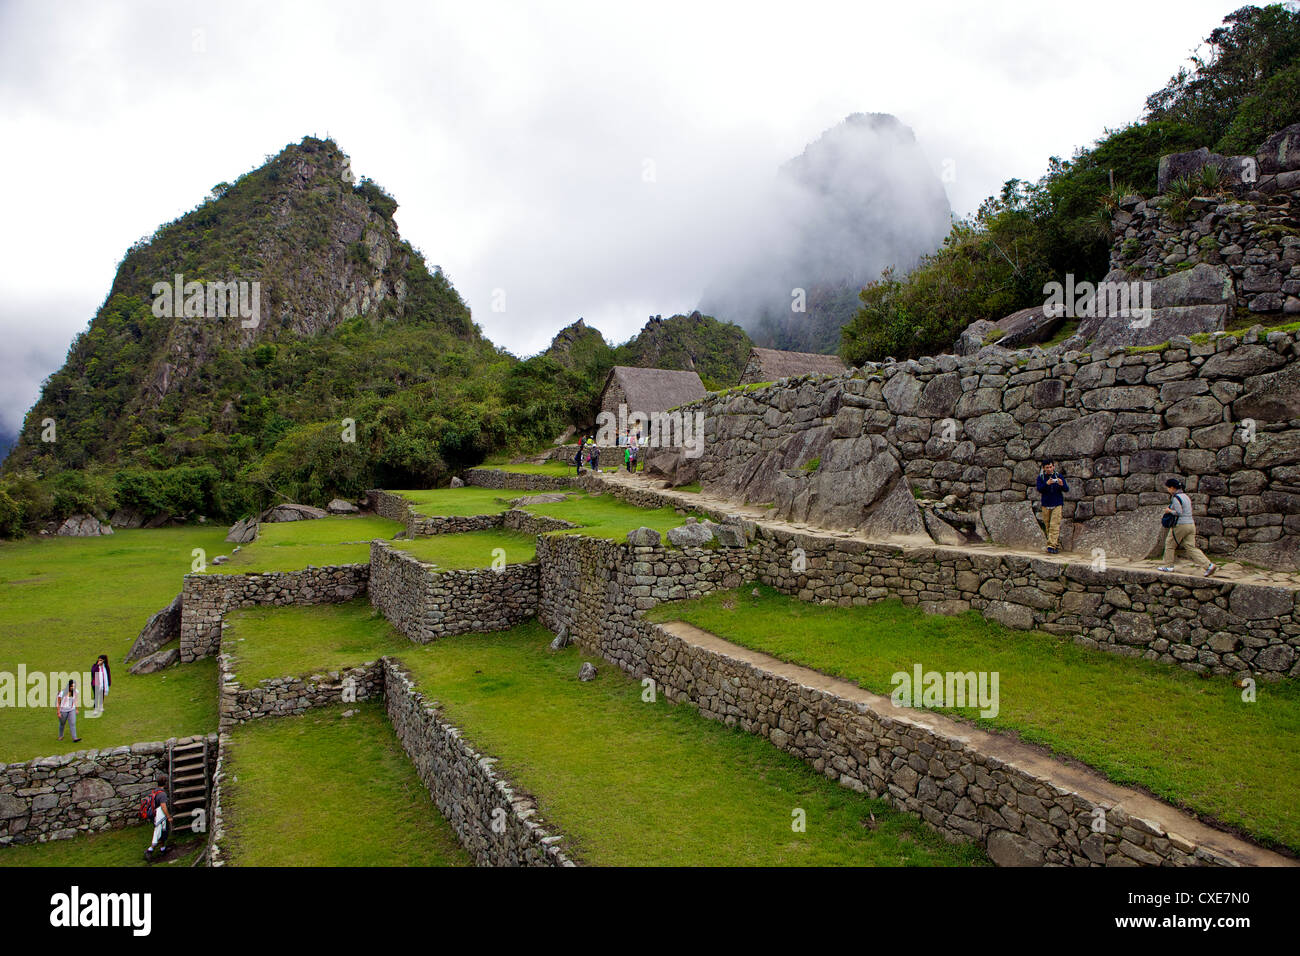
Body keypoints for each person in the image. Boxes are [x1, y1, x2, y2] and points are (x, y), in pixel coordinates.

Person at [1157, 477, 1217, 576]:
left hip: (1181, 525)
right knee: (1191, 547)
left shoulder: (1176, 498)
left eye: (1168, 488)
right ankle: (1208, 565)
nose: (1167, 490)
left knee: (1170, 544)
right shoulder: (1185, 496)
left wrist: (1169, 511)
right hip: (1190, 524)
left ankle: (1168, 566)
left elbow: (1179, 512)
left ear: (1172, 488)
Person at [1035, 459, 1069, 554]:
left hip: (1057, 503)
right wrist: (1047, 484)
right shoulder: (1041, 478)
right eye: (1047, 467)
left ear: (1053, 466)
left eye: (1051, 467)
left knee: (1055, 525)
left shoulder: (1059, 476)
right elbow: (1040, 489)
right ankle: (1054, 544)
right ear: (1044, 468)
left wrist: (1062, 484)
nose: (1049, 469)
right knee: (1048, 526)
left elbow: (1066, 489)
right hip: (1046, 504)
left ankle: (1051, 546)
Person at [145, 776, 172, 861]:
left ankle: (163, 849)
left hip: (155, 816)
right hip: (160, 817)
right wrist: (168, 816)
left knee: (163, 832)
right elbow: (163, 806)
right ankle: (150, 850)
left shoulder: (155, 792)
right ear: (165, 783)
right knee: (158, 833)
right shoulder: (162, 794)